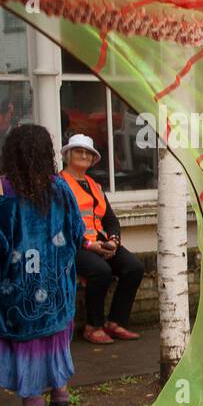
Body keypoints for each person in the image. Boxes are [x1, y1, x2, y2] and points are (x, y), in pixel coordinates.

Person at [0, 124, 86, 406]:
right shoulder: (61, 187)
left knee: (25, 347)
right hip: (57, 289)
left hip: (16, 292)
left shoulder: (1, 190)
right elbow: (78, 233)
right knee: (54, 343)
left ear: (11, 153)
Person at [60, 133, 144, 344]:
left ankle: (116, 322)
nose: (83, 156)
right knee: (100, 271)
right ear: (68, 156)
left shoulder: (95, 185)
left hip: (100, 243)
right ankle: (93, 326)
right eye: (78, 151)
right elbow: (58, 224)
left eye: (88, 153)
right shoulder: (58, 185)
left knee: (134, 267)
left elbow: (111, 220)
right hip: (72, 245)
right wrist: (88, 244)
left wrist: (113, 241)